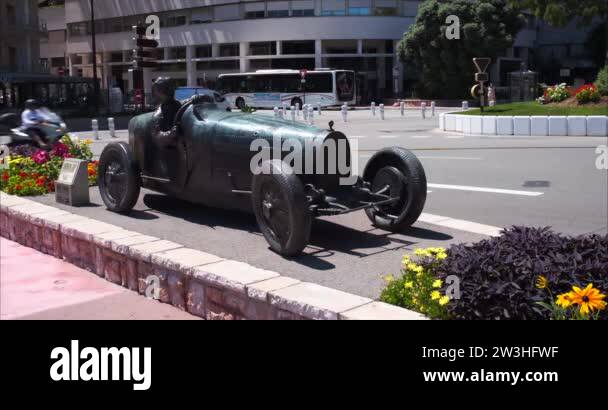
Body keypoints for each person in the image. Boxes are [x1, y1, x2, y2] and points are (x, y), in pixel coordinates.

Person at [151, 77, 182, 146]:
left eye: (172, 90)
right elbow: (156, 134)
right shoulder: (158, 114)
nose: (171, 92)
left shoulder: (178, 105)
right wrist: (170, 134)